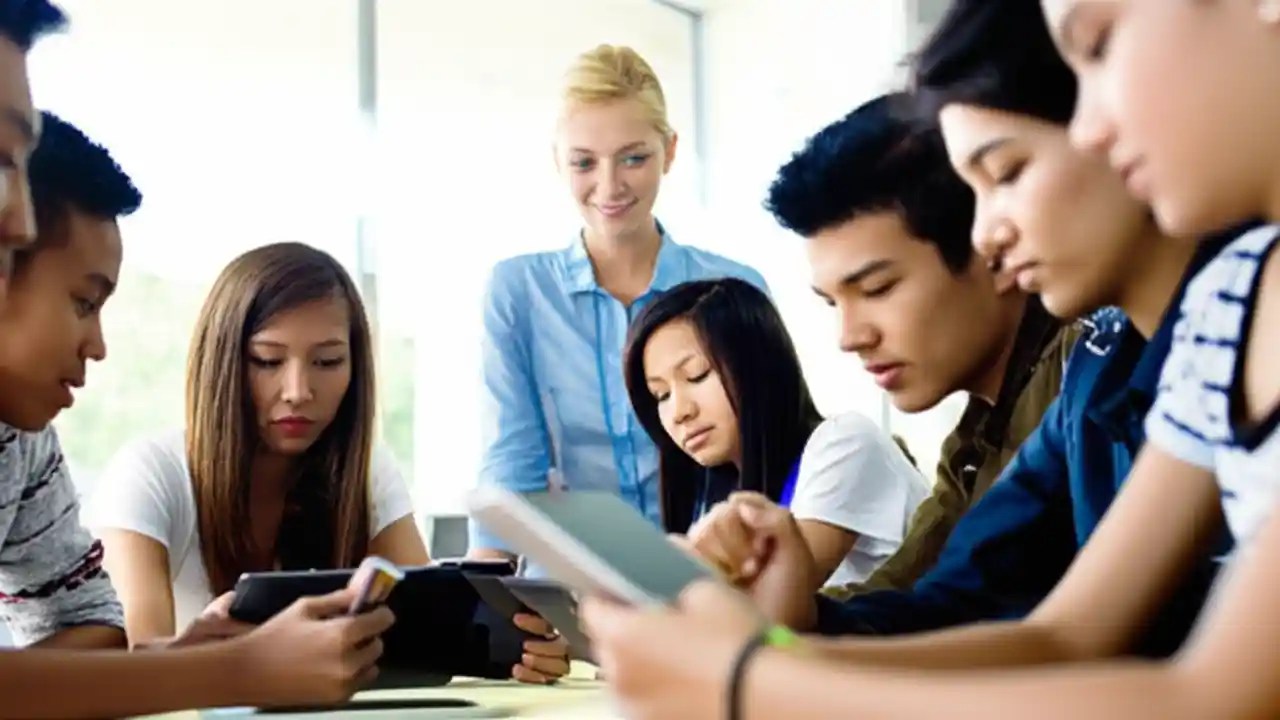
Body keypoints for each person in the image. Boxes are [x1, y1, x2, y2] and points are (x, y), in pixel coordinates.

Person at [577, 2, 1280, 718]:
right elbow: (1062, 634)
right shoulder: (1193, 323)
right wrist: (764, 651)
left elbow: (1217, 694)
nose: (1098, 124)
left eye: (1006, 172)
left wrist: (748, 678)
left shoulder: (1112, 346)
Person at [0, 7, 393, 713]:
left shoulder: (22, 446)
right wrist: (235, 671)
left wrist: (181, 662)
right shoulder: (151, 470)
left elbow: (93, 631)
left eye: (329, 360)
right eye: (85, 303)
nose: (15, 217)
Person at [88, 242, 568, 684]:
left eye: (327, 362)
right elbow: (137, 665)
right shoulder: (150, 474)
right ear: (223, 363)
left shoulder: (366, 473)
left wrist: (520, 649)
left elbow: (435, 631)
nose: (298, 391)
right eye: (267, 361)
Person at [704, 92, 1076, 599]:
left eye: (878, 289)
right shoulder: (978, 435)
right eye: (833, 303)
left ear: (992, 245)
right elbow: (907, 598)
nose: (850, 337)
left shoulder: (1082, 374)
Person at [468, 44, 767, 563]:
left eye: (634, 157)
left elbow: (769, 448)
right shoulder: (517, 290)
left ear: (670, 152)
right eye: (584, 162)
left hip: (711, 573)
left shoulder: (732, 288)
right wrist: (487, 611)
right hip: (569, 583)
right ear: (558, 162)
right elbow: (512, 462)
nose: (609, 187)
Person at [623, 277, 927, 590]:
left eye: (696, 376)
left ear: (757, 367)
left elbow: (773, 604)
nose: (679, 412)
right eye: (661, 395)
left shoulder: (844, 444)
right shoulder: (723, 499)